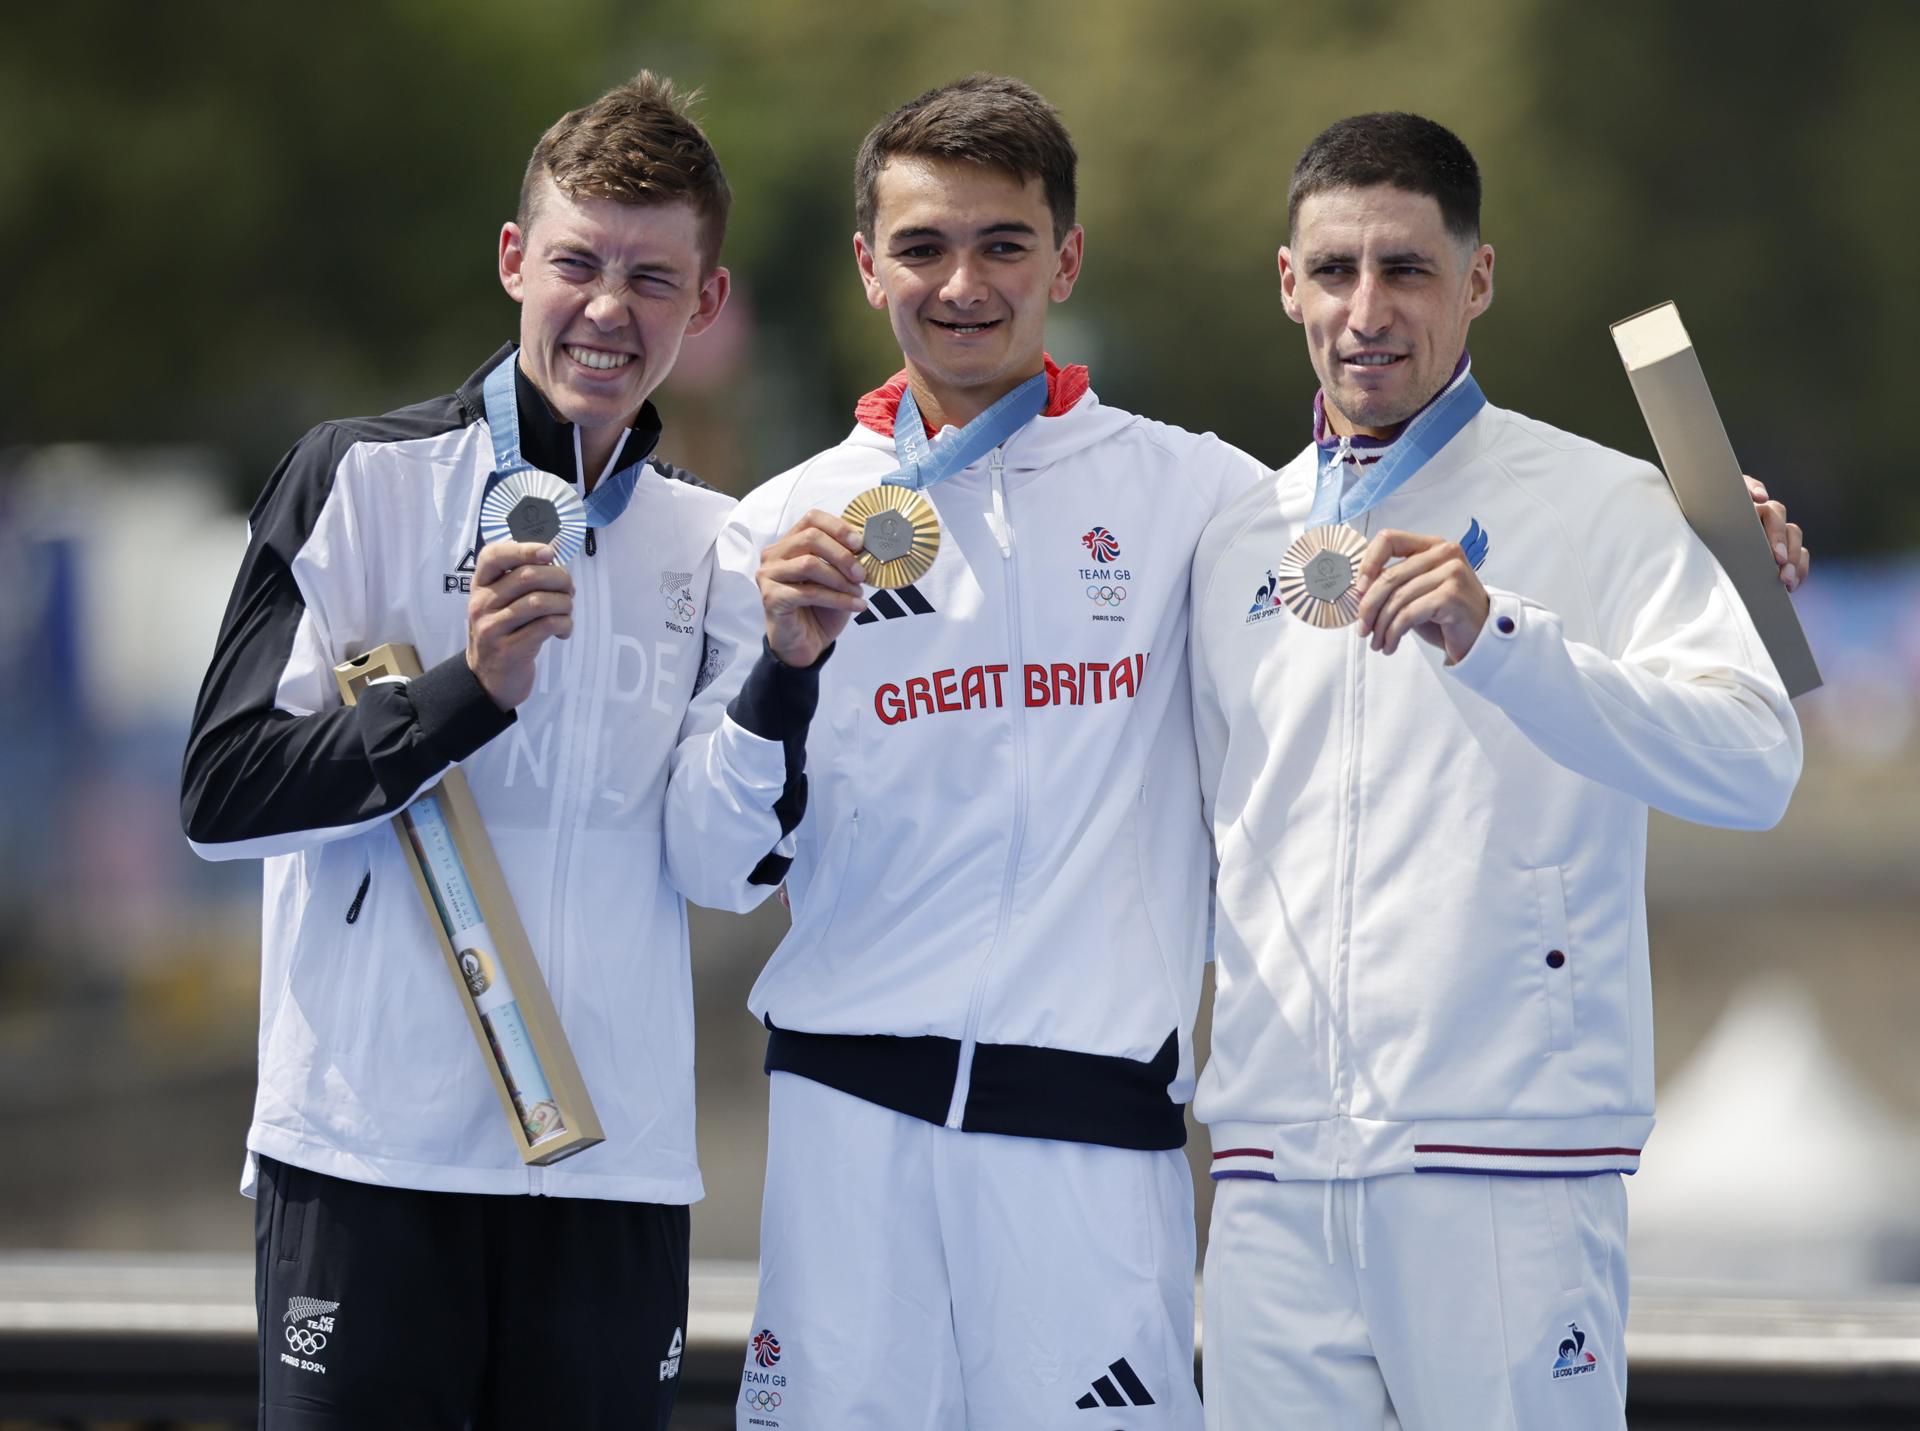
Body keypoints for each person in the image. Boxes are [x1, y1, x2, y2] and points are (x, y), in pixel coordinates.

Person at [665, 74, 1266, 1429]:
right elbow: (711, 867)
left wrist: (1675, 556)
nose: (963, 284)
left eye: (1003, 244)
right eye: (925, 246)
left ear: (1066, 257)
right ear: (868, 261)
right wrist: (783, 666)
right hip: (850, 1136)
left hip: (1090, 1146)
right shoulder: (776, 525)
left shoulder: (1197, 494)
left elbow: (1380, 578)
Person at [1189, 112, 1806, 1429]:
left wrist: (1503, 635)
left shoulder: (1613, 506)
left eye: (1407, 269)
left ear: (1476, 281)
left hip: (1510, 1168)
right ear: (1288, 283)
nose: (1370, 309)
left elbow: (1756, 765)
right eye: (1337, 270)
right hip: (1273, 1174)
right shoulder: (1227, 533)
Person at [180, 72, 738, 1429]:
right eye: (577, 263)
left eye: (653, 278)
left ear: (706, 305)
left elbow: (733, 862)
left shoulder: (718, 542)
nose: (608, 311)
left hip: (611, 1182)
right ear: (513, 261)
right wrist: (466, 694)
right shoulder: (355, 477)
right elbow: (221, 795)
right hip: (369, 1163)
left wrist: (794, 678)